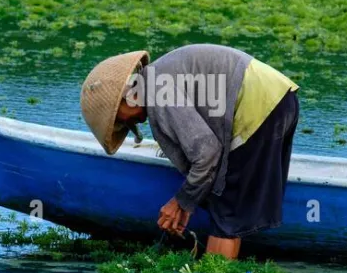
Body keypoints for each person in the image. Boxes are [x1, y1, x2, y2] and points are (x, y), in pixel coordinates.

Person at [79, 44, 299, 259]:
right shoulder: (157, 80)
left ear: (127, 99)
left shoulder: (158, 91)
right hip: (278, 98)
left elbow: (207, 154)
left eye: (120, 119)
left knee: (227, 212)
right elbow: (209, 154)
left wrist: (180, 201)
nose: (127, 124)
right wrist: (187, 206)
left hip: (260, 105)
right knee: (227, 203)